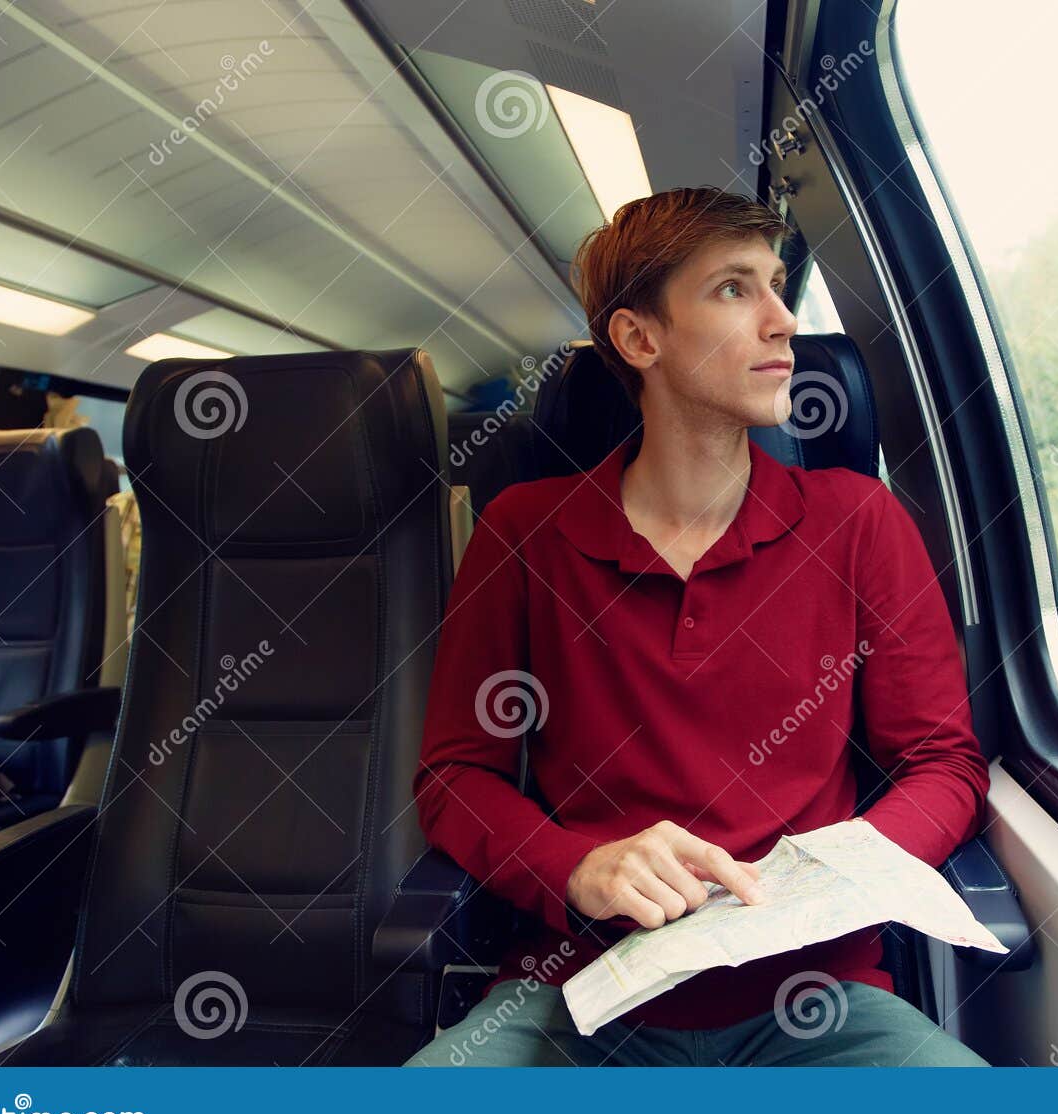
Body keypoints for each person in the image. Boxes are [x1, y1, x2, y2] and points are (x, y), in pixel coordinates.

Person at [404, 186, 990, 1066]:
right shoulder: (525, 531)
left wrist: (840, 870)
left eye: (778, 285)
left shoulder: (859, 520)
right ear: (640, 338)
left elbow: (943, 764)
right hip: (584, 995)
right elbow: (455, 775)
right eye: (733, 289)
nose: (783, 321)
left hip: (814, 998)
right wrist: (576, 865)